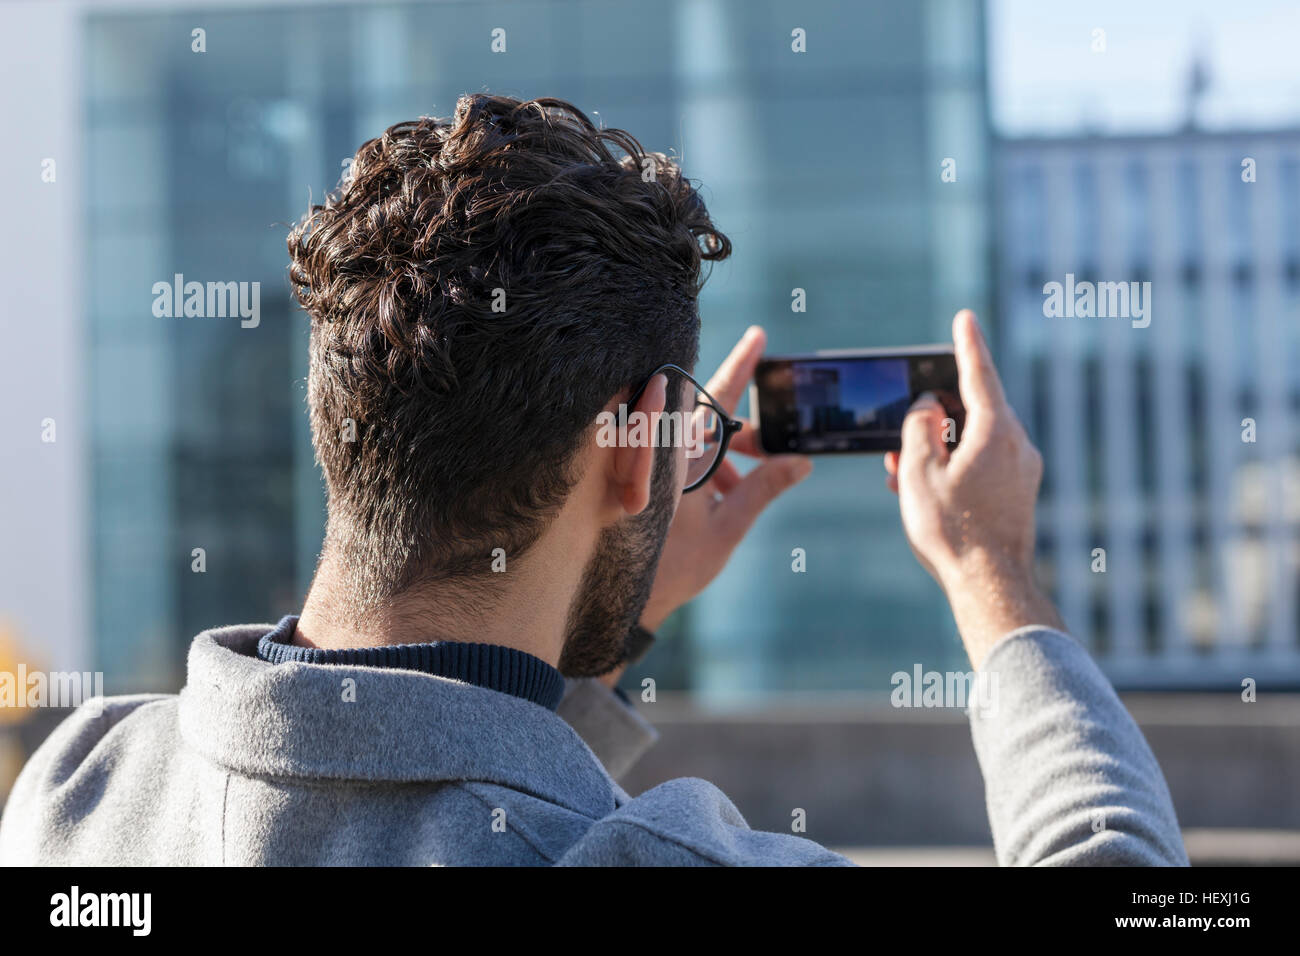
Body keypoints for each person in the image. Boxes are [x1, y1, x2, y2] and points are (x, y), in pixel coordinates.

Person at [0, 95, 1186, 866]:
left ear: (340, 415)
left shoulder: (79, 789)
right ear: (638, 448)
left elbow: (407, 787)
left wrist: (599, 609)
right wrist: (994, 579)